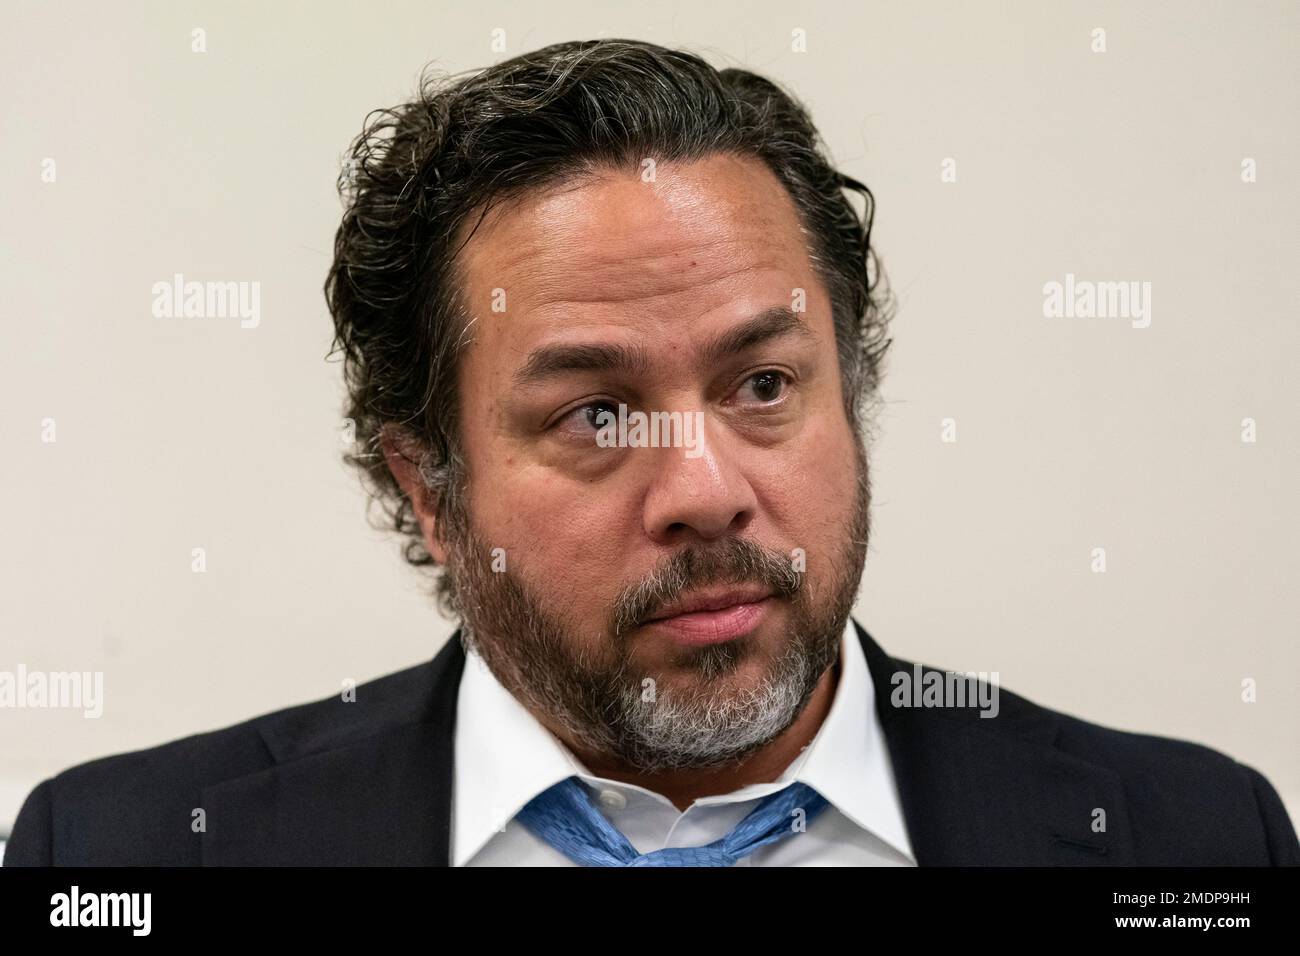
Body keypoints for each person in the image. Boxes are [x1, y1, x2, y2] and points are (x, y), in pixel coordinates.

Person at [7, 38, 1296, 867]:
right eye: (597, 416)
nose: (708, 491)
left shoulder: (1191, 844)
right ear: (430, 490)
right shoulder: (124, 858)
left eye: (765, 385)